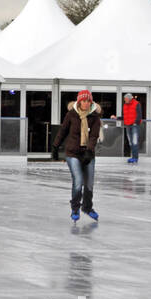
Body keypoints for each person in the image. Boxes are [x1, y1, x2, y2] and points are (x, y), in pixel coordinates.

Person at [53, 89, 102, 221]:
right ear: (79, 101)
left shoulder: (95, 117)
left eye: (88, 101)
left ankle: (87, 207)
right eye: (83, 101)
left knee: (89, 184)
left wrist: (89, 151)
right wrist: (55, 146)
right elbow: (63, 130)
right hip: (72, 153)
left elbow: (94, 136)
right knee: (78, 181)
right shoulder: (71, 115)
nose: (85, 103)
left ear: (91, 102)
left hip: (88, 153)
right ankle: (75, 208)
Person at [118, 93, 143, 164]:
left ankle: (135, 158)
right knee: (130, 142)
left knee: (134, 142)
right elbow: (125, 116)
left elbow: (139, 115)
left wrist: (135, 122)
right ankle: (133, 157)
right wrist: (117, 118)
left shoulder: (136, 104)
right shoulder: (125, 105)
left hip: (134, 125)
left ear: (129, 98)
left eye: (125, 99)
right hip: (128, 125)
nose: (124, 100)